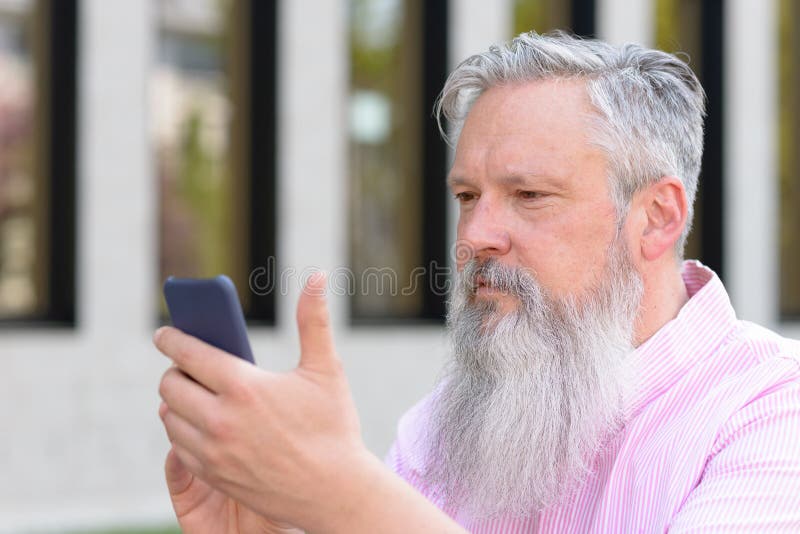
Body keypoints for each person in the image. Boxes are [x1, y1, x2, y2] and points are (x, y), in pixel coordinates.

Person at [154, 31, 800, 533]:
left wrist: (343, 496)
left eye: (529, 194)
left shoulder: (771, 410)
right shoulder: (446, 423)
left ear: (656, 218)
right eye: (467, 194)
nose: (474, 235)